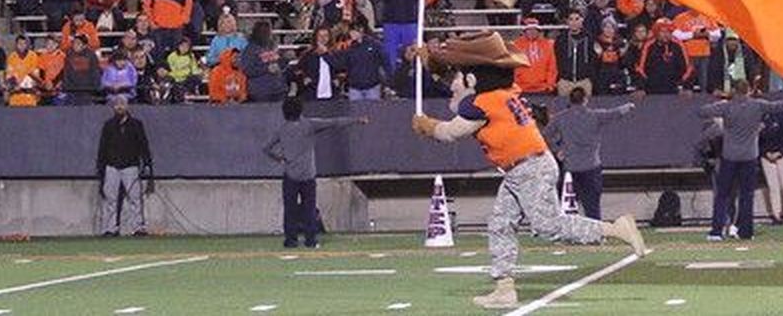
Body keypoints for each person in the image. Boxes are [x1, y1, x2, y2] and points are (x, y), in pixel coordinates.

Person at [412, 32, 646, 310]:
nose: (454, 84)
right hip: (523, 168)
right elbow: (459, 87)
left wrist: (427, 126)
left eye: (460, 77)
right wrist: (431, 65)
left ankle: (614, 229)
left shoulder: (483, 103)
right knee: (500, 224)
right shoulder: (503, 93)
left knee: (548, 225)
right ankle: (504, 288)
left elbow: (451, 132)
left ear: (473, 79)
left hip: (528, 168)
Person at [699, 81, 783, 240]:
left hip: (730, 156)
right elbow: (778, 106)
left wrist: (722, 102)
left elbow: (702, 111)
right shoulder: (757, 105)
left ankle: (716, 231)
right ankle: (746, 231)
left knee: (722, 195)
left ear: (734, 91)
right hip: (749, 156)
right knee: (747, 195)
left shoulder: (727, 107)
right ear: (749, 91)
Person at [263, 96, 368, 248]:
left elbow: (266, 148)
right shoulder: (309, 125)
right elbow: (334, 122)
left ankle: (291, 240)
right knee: (309, 209)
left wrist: (280, 158)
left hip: (290, 175)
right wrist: (356, 120)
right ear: (300, 110)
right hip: (308, 175)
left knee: (290, 209)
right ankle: (310, 240)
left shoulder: (282, 129)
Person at [546, 87, 634, 219]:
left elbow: (545, 135)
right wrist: (628, 106)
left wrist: (556, 149)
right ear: (585, 100)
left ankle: (570, 231)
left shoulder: (560, 118)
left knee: (568, 209)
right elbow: (614, 113)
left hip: (570, 167)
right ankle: (594, 230)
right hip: (591, 167)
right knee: (592, 208)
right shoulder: (594, 116)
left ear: (570, 100)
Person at [96, 96, 152, 236]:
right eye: (116, 104)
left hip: (131, 166)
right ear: (113, 107)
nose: (119, 107)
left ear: (127, 106)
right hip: (112, 166)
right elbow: (102, 147)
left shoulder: (136, 124)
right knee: (110, 199)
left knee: (135, 198)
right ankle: (110, 228)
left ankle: (138, 227)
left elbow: (143, 144)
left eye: (122, 104)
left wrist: (147, 163)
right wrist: (101, 167)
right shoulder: (108, 125)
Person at [760, 102, 783, 223]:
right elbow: (756, 141)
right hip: (767, 157)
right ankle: (776, 215)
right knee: (773, 187)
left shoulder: (780, 118)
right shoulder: (758, 120)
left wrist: (780, 152)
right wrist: (766, 153)